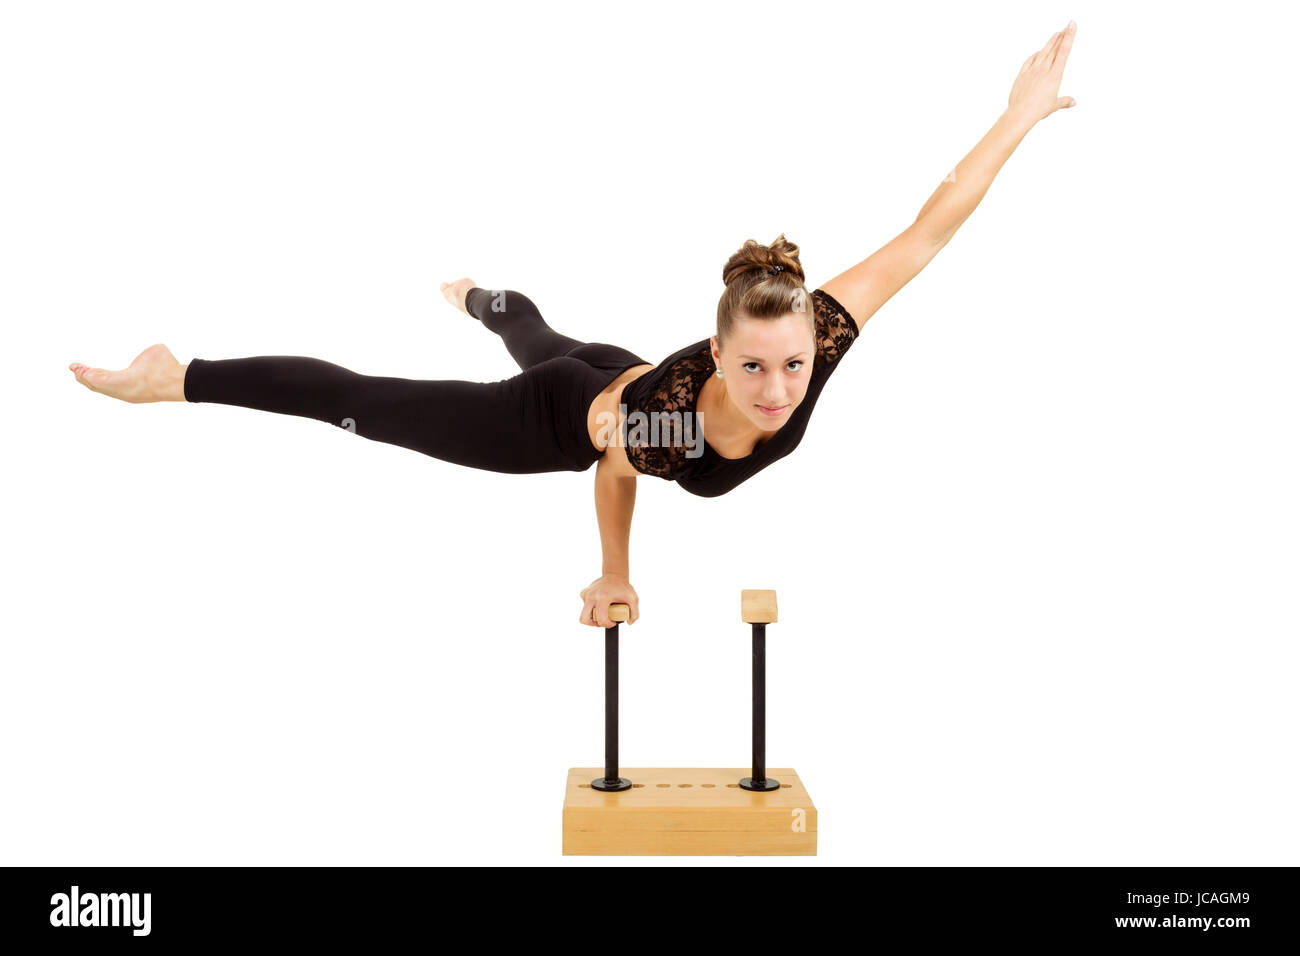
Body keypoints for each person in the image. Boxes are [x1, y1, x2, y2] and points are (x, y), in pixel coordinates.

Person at [69, 21, 1077, 630]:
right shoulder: (672, 417)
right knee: (368, 403)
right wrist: (614, 572)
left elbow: (931, 223)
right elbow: (615, 469)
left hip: (614, 369)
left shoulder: (819, 327)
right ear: (718, 355)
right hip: (559, 422)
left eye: (795, 364)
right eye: (756, 368)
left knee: (538, 328)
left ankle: (477, 297)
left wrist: (1018, 115)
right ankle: (180, 374)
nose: (780, 390)